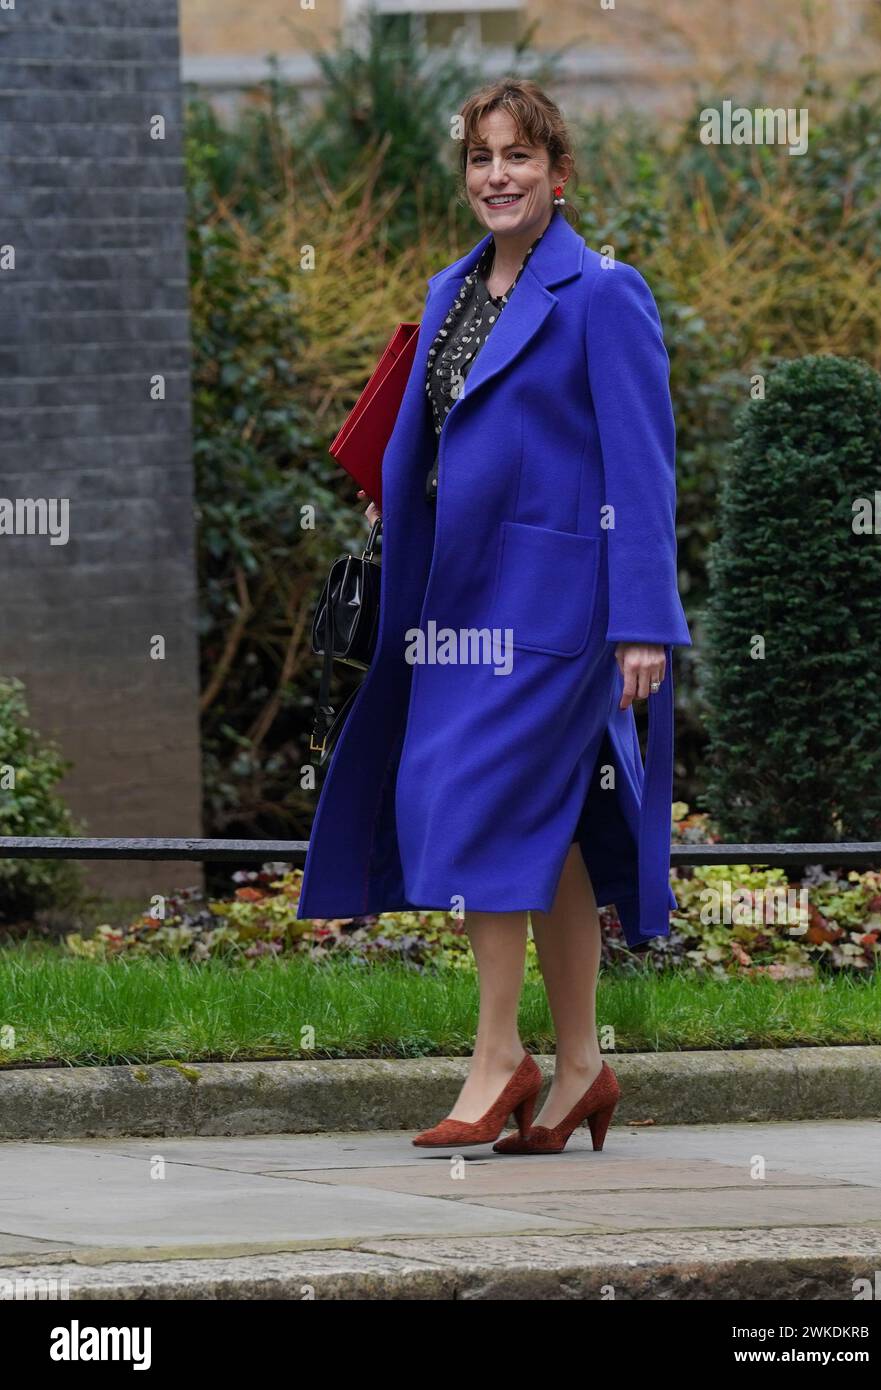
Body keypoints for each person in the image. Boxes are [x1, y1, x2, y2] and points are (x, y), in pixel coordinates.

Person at [298, 77, 692, 1155]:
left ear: (557, 177)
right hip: (456, 606)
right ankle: (576, 1071)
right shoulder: (449, 292)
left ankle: (493, 1058)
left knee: (468, 802)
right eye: (480, 158)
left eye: (518, 157)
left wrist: (643, 621)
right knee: (545, 825)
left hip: (560, 612)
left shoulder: (603, 293)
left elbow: (643, 466)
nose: (497, 176)